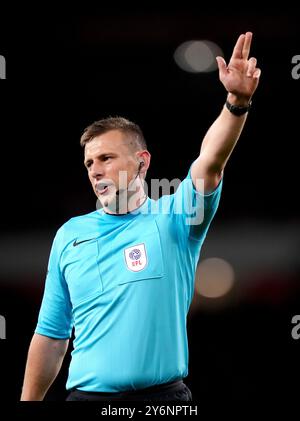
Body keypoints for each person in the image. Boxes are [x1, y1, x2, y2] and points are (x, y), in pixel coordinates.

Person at [21, 32, 260, 401]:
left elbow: (210, 162)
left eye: (106, 158)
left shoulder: (176, 217)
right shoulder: (69, 235)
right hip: (87, 399)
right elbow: (51, 336)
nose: (95, 170)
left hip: (163, 399)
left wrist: (236, 102)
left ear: (141, 162)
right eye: (89, 163)